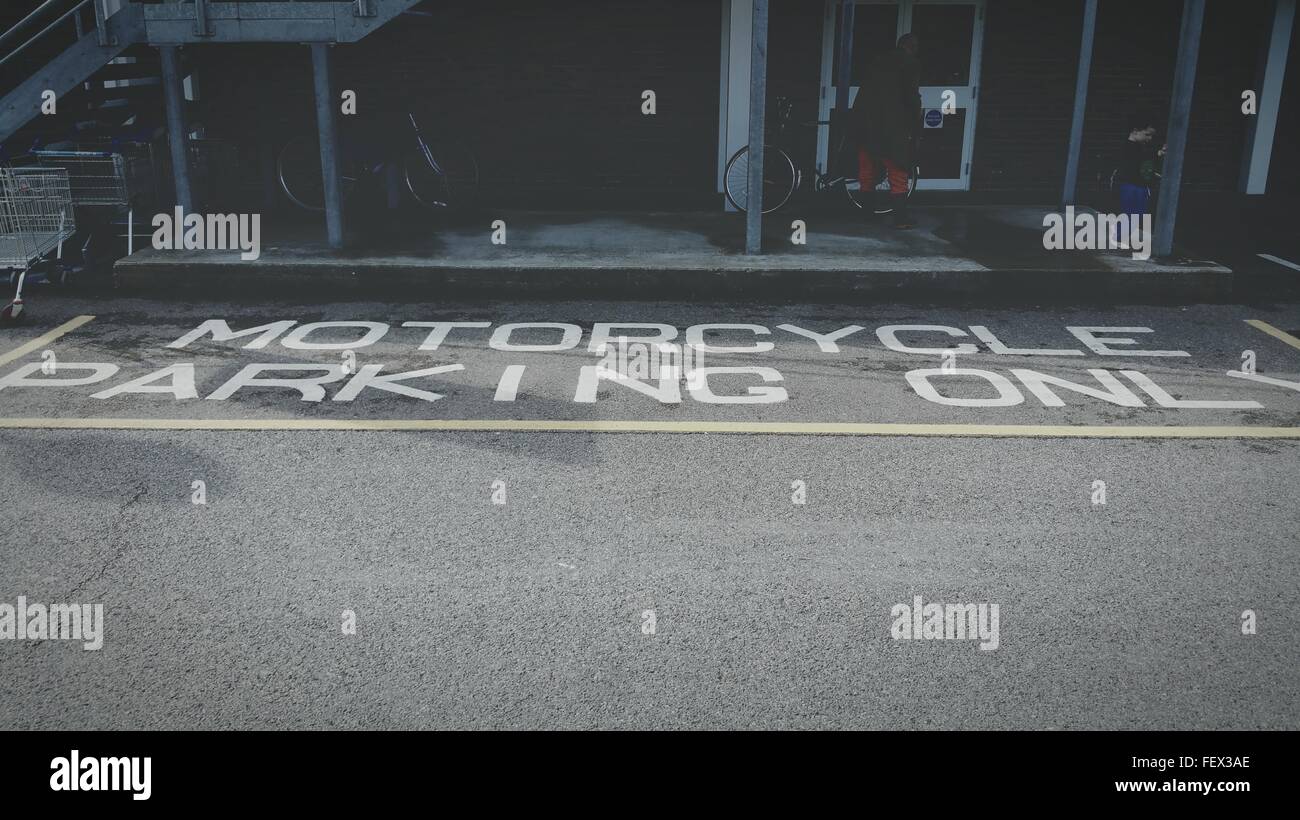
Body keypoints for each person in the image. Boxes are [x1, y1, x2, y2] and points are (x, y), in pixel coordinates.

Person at [848, 33, 921, 228]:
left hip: (866, 124)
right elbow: (912, 98)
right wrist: (915, 121)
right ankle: (900, 219)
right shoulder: (909, 64)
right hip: (891, 128)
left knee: (867, 171)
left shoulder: (877, 61)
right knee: (898, 171)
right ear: (912, 47)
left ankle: (866, 215)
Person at [1112, 115, 1165, 248]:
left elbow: (1142, 164)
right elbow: (1138, 161)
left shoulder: (1139, 147)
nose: (1149, 138)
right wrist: (1157, 154)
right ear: (1135, 131)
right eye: (1147, 134)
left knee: (1136, 213)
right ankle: (1118, 238)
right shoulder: (1129, 147)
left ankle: (1121, 238)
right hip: (1130, 185)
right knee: (1130, 212)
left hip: (1138, 185)